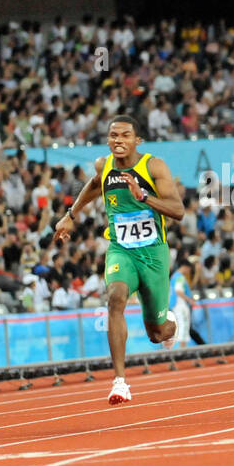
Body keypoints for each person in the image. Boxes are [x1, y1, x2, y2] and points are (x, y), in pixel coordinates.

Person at [55, 115, 182, 405]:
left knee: (157, 332)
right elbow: (94, 184)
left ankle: (170, 322)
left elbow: (178, 210)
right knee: (115, 297)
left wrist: (144, 196)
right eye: (113, 135)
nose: (118, 140)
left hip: (153, 254)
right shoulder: (104, 165)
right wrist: (70, 215)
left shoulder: (154, 166)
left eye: (125, 135)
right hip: (120, 250)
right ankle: (120, 382)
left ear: (137, 141)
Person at [169, 259, 198, 349]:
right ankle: (182, 350)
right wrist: (189, 300)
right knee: (183, 326)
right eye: (189, 269)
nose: (189, 272)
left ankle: (181, 349)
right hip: (180, 305)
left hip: (176, 305)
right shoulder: (180, 277)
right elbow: (179, 291)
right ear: (185, 267)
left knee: (181, 326)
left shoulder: (174, 276)